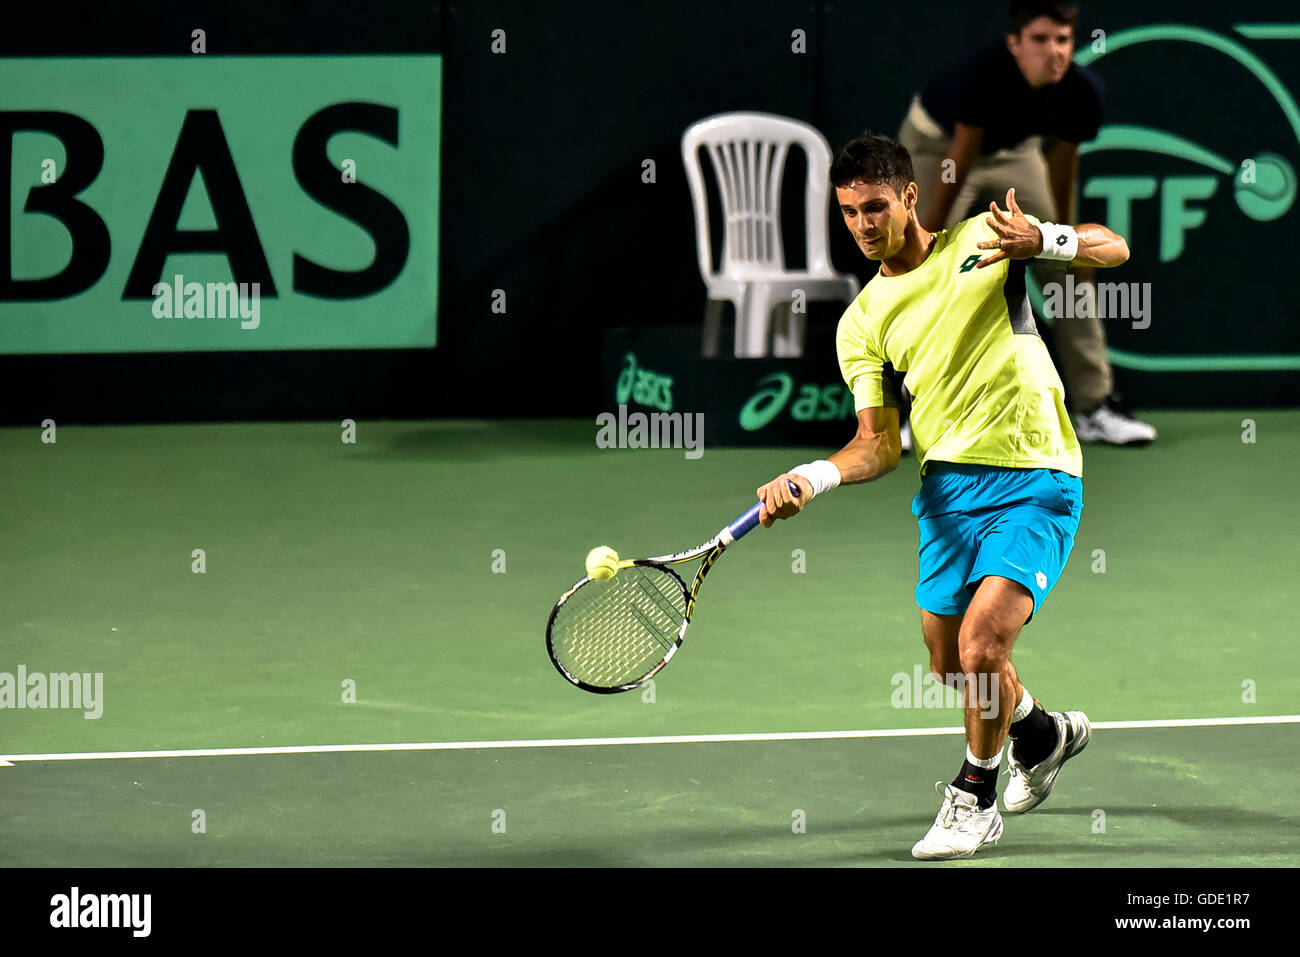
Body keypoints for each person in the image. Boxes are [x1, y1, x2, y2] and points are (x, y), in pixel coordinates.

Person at [755, 131, 1127, 859]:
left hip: (1037, 471)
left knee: (983, 643)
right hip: (948, 493)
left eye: (875, 207)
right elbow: (878, 444)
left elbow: (1112, 248)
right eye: (849, 212)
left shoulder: (984, 238)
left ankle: (974, 797)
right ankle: (1041, 735)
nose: (863, 225)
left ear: (909, 196)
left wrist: (1043, 241)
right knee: (952, 665)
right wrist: (813, 476)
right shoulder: (862, 321)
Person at [898, 0, 1155, 445]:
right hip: (940, 147)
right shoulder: (984, 75)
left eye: (1063, 40)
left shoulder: (1080, 91)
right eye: (1040, 39)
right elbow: (961, 155)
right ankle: (907, 409)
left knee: (1070, 269)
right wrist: (927, 242)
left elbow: (1064, 164)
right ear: (1014, 43)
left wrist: (1068, 242)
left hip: (1016, 154)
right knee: (919, 268)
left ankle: (1094, 405)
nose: (1054, 51)